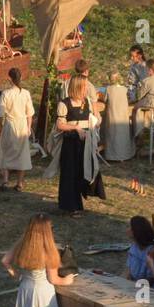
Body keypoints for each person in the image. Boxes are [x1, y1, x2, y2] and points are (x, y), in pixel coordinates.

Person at [50, 74, 105, 216]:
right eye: (85, 86)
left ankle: (81, 199)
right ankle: (72, 206)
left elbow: (93, 118)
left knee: (85, 171)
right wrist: (76, 128)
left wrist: (96, 122)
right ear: (78, 87)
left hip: (85, 144)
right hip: (70, 144)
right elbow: (60, 125)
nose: (87, 88)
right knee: (70, 174)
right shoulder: (65, 103)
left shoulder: (87, 101)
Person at [0, 68, 36, 191]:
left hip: (10, 124)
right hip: (22, 125)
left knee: (5, 151)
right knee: (22, 153)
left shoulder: (6, 93)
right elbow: (30, 113)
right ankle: (19, 183)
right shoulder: (25, 93)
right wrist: (28, 128)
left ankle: (5, 181)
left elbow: (0, 114)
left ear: (10, 78)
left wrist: (1, 127)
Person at [102, 71, 135, 161]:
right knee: (123, 135)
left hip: (113, 115)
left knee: (112, 135)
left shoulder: (108, 89)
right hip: (123, 116)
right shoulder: (124, 89)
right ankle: (125, 155)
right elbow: (130, 99)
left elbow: (104, 99)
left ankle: (112, 156)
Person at [124, 216, 154, 282]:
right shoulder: (134, 246)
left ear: (136, 230)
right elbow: (128, 271)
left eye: (129, 227)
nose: (127, 230)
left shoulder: (153, 250)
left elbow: (151, 278)